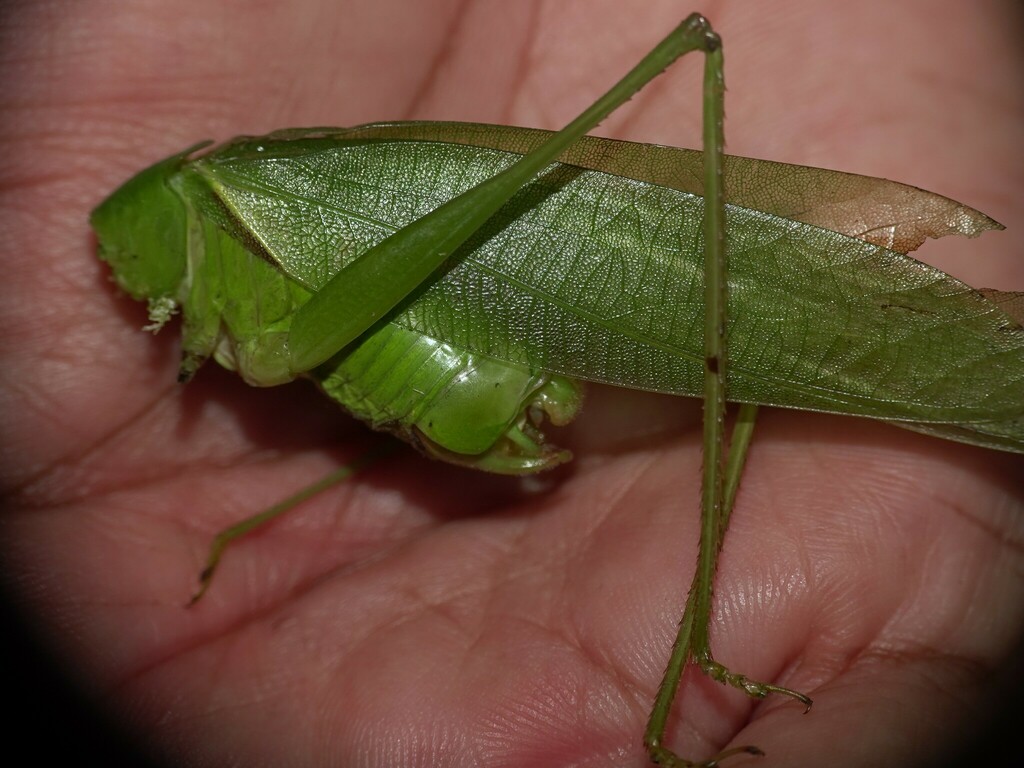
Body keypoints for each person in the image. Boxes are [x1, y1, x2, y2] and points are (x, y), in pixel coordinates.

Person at [1, 1, 1021, 765]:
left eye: (130, 261)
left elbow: (271, 357)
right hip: (451, 372)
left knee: (735, 314)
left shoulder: (235, 195)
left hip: (483, 374)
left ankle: (697, 656)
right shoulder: (221, 215)